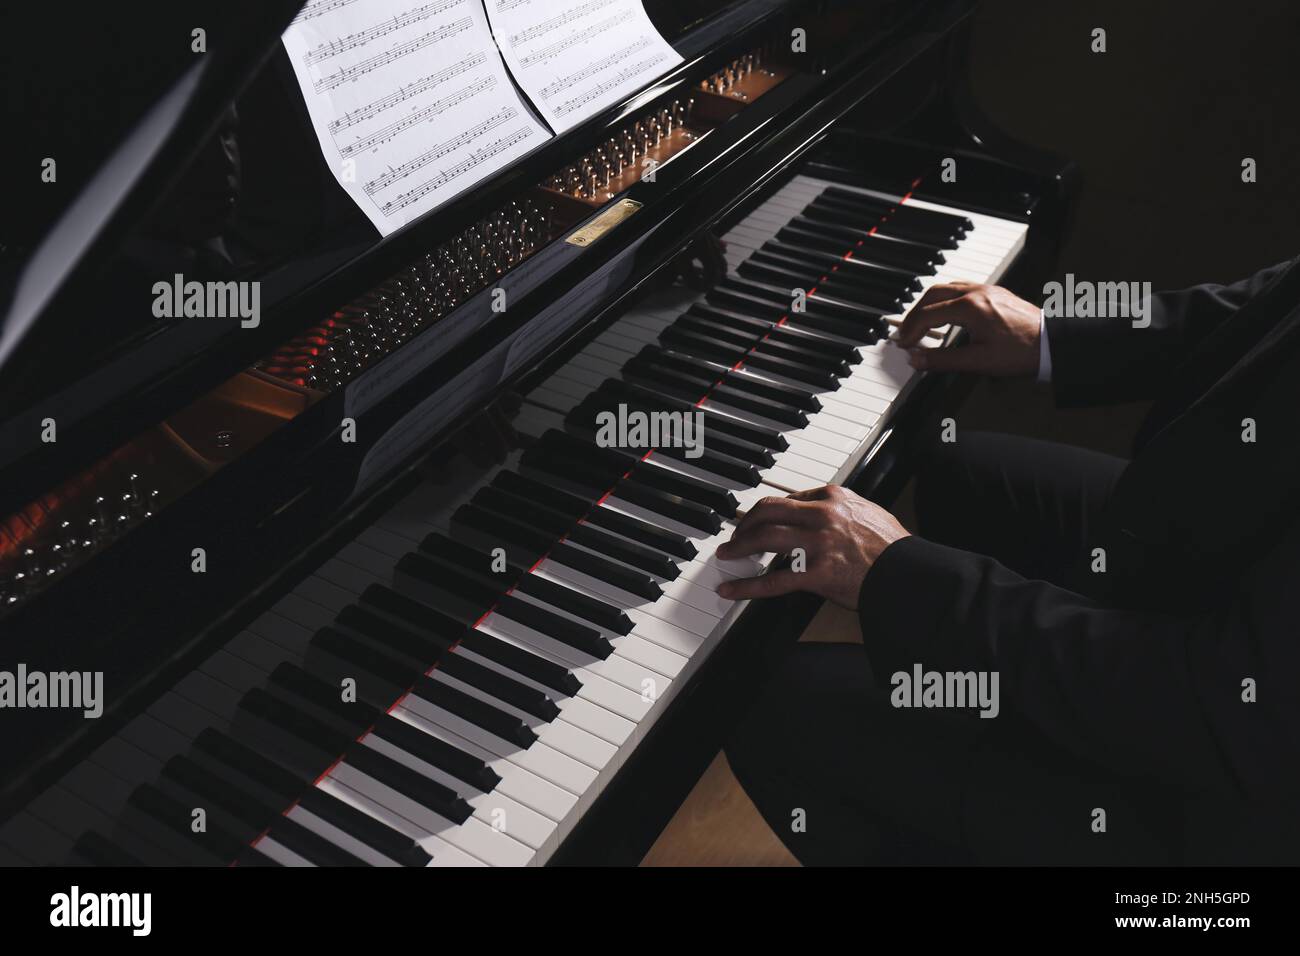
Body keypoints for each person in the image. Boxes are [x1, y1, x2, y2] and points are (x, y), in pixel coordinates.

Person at [717, 261, 1300, 865]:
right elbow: (1274, 305)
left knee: (763, 700)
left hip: (1220, 805)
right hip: (1238, 545)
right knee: (957, 477)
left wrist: (894, 573)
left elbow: (1218, 701)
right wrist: (1054, 338)